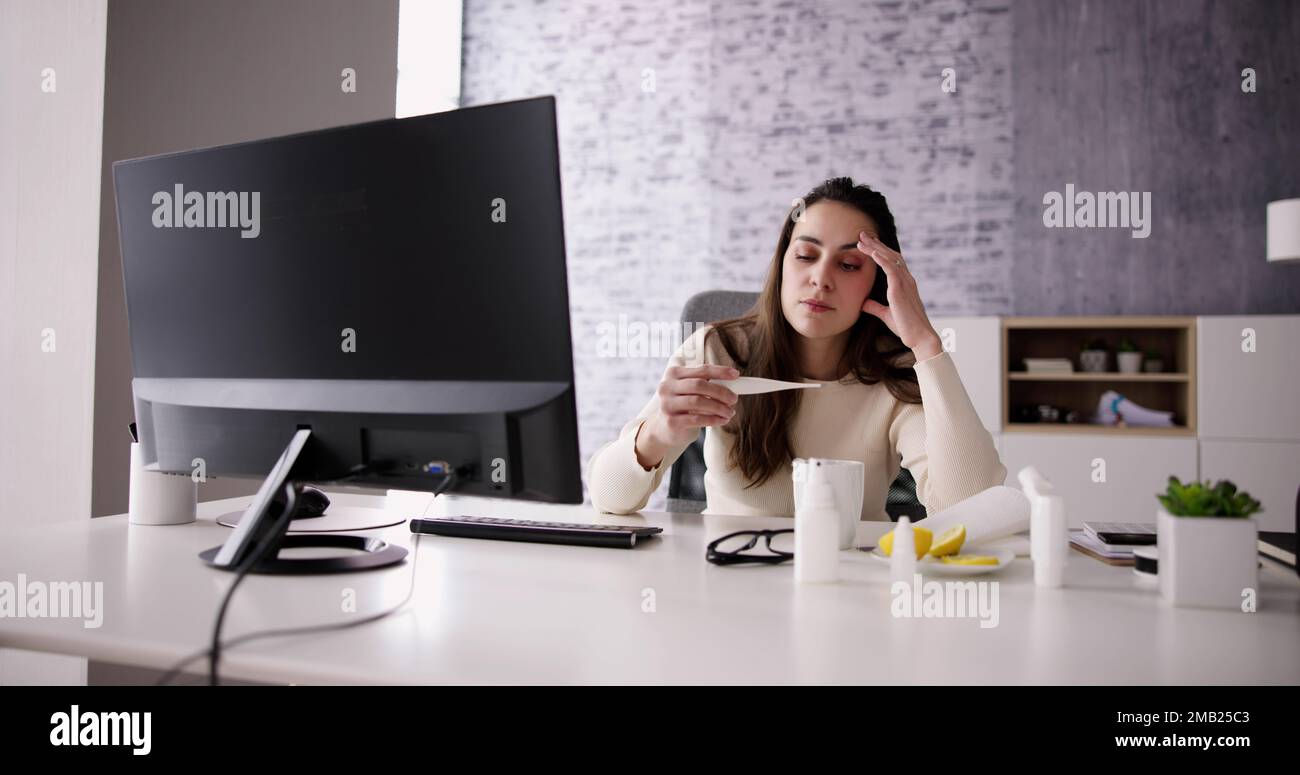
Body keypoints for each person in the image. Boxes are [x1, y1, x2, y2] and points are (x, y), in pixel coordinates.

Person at [587, 177, 1006, 520]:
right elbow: (609, 498)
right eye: (806, 255)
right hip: (731, 586)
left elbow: (971, 508)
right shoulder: (718, 351)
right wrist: (656, 435)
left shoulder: (894, 373)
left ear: (878, 282)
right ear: (783, 264)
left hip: (851, 591)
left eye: (847, 265)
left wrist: (926, 345)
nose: (821, 279)